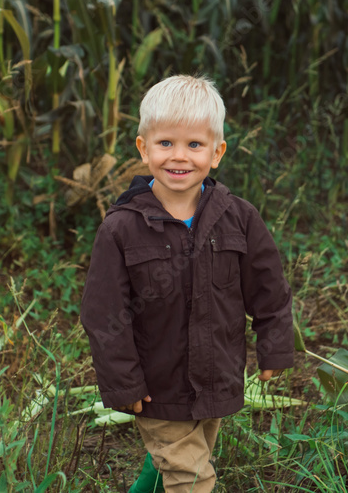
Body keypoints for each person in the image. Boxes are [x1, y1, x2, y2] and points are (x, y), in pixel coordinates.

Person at [80, 74, 294, 493]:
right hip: (157, 385)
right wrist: (123, 383)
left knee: (173, 466)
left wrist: (275, 345)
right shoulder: (122, 228)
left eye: (194, 145)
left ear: (217, 152)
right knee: (191, 477)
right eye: (165, 143)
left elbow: (269, 288)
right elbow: (104, 315)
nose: (179, 156)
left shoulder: (239, 218)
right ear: (144, 148)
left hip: (217, 376)